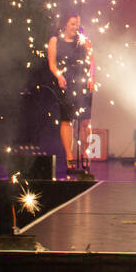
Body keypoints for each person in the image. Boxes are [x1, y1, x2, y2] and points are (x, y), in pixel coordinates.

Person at [48, 13, 95, 174]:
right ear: (65, 25)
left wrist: (91, 77)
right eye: (73, 24)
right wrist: (58, 75)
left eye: (78, 24)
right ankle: (69, 156)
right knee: (67, 120)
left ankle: (85, 154)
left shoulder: (83, 40)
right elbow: (52, 63)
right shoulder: (55, 40)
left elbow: (92, 60)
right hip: (66, 84)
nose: (76, 27)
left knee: (85, 121)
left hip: (82, 83)